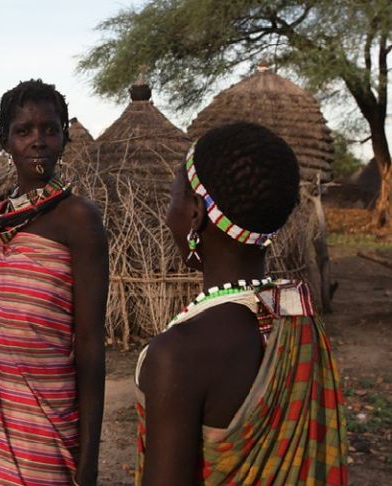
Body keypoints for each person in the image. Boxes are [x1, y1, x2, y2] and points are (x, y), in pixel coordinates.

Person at [135, 122, 349, 485]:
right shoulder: (298, 316)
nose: (167, 212)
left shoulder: (178, 354)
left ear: (195, 214)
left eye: (172, 199)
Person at [0, 79, 108, 485]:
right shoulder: (5, 219)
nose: (38, 141)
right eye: (24, 131)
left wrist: (89, 457)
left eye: (50, 129)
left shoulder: (80, 220)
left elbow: (91, 343)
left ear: (64, 137)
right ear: (6, 141)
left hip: (48, 426)